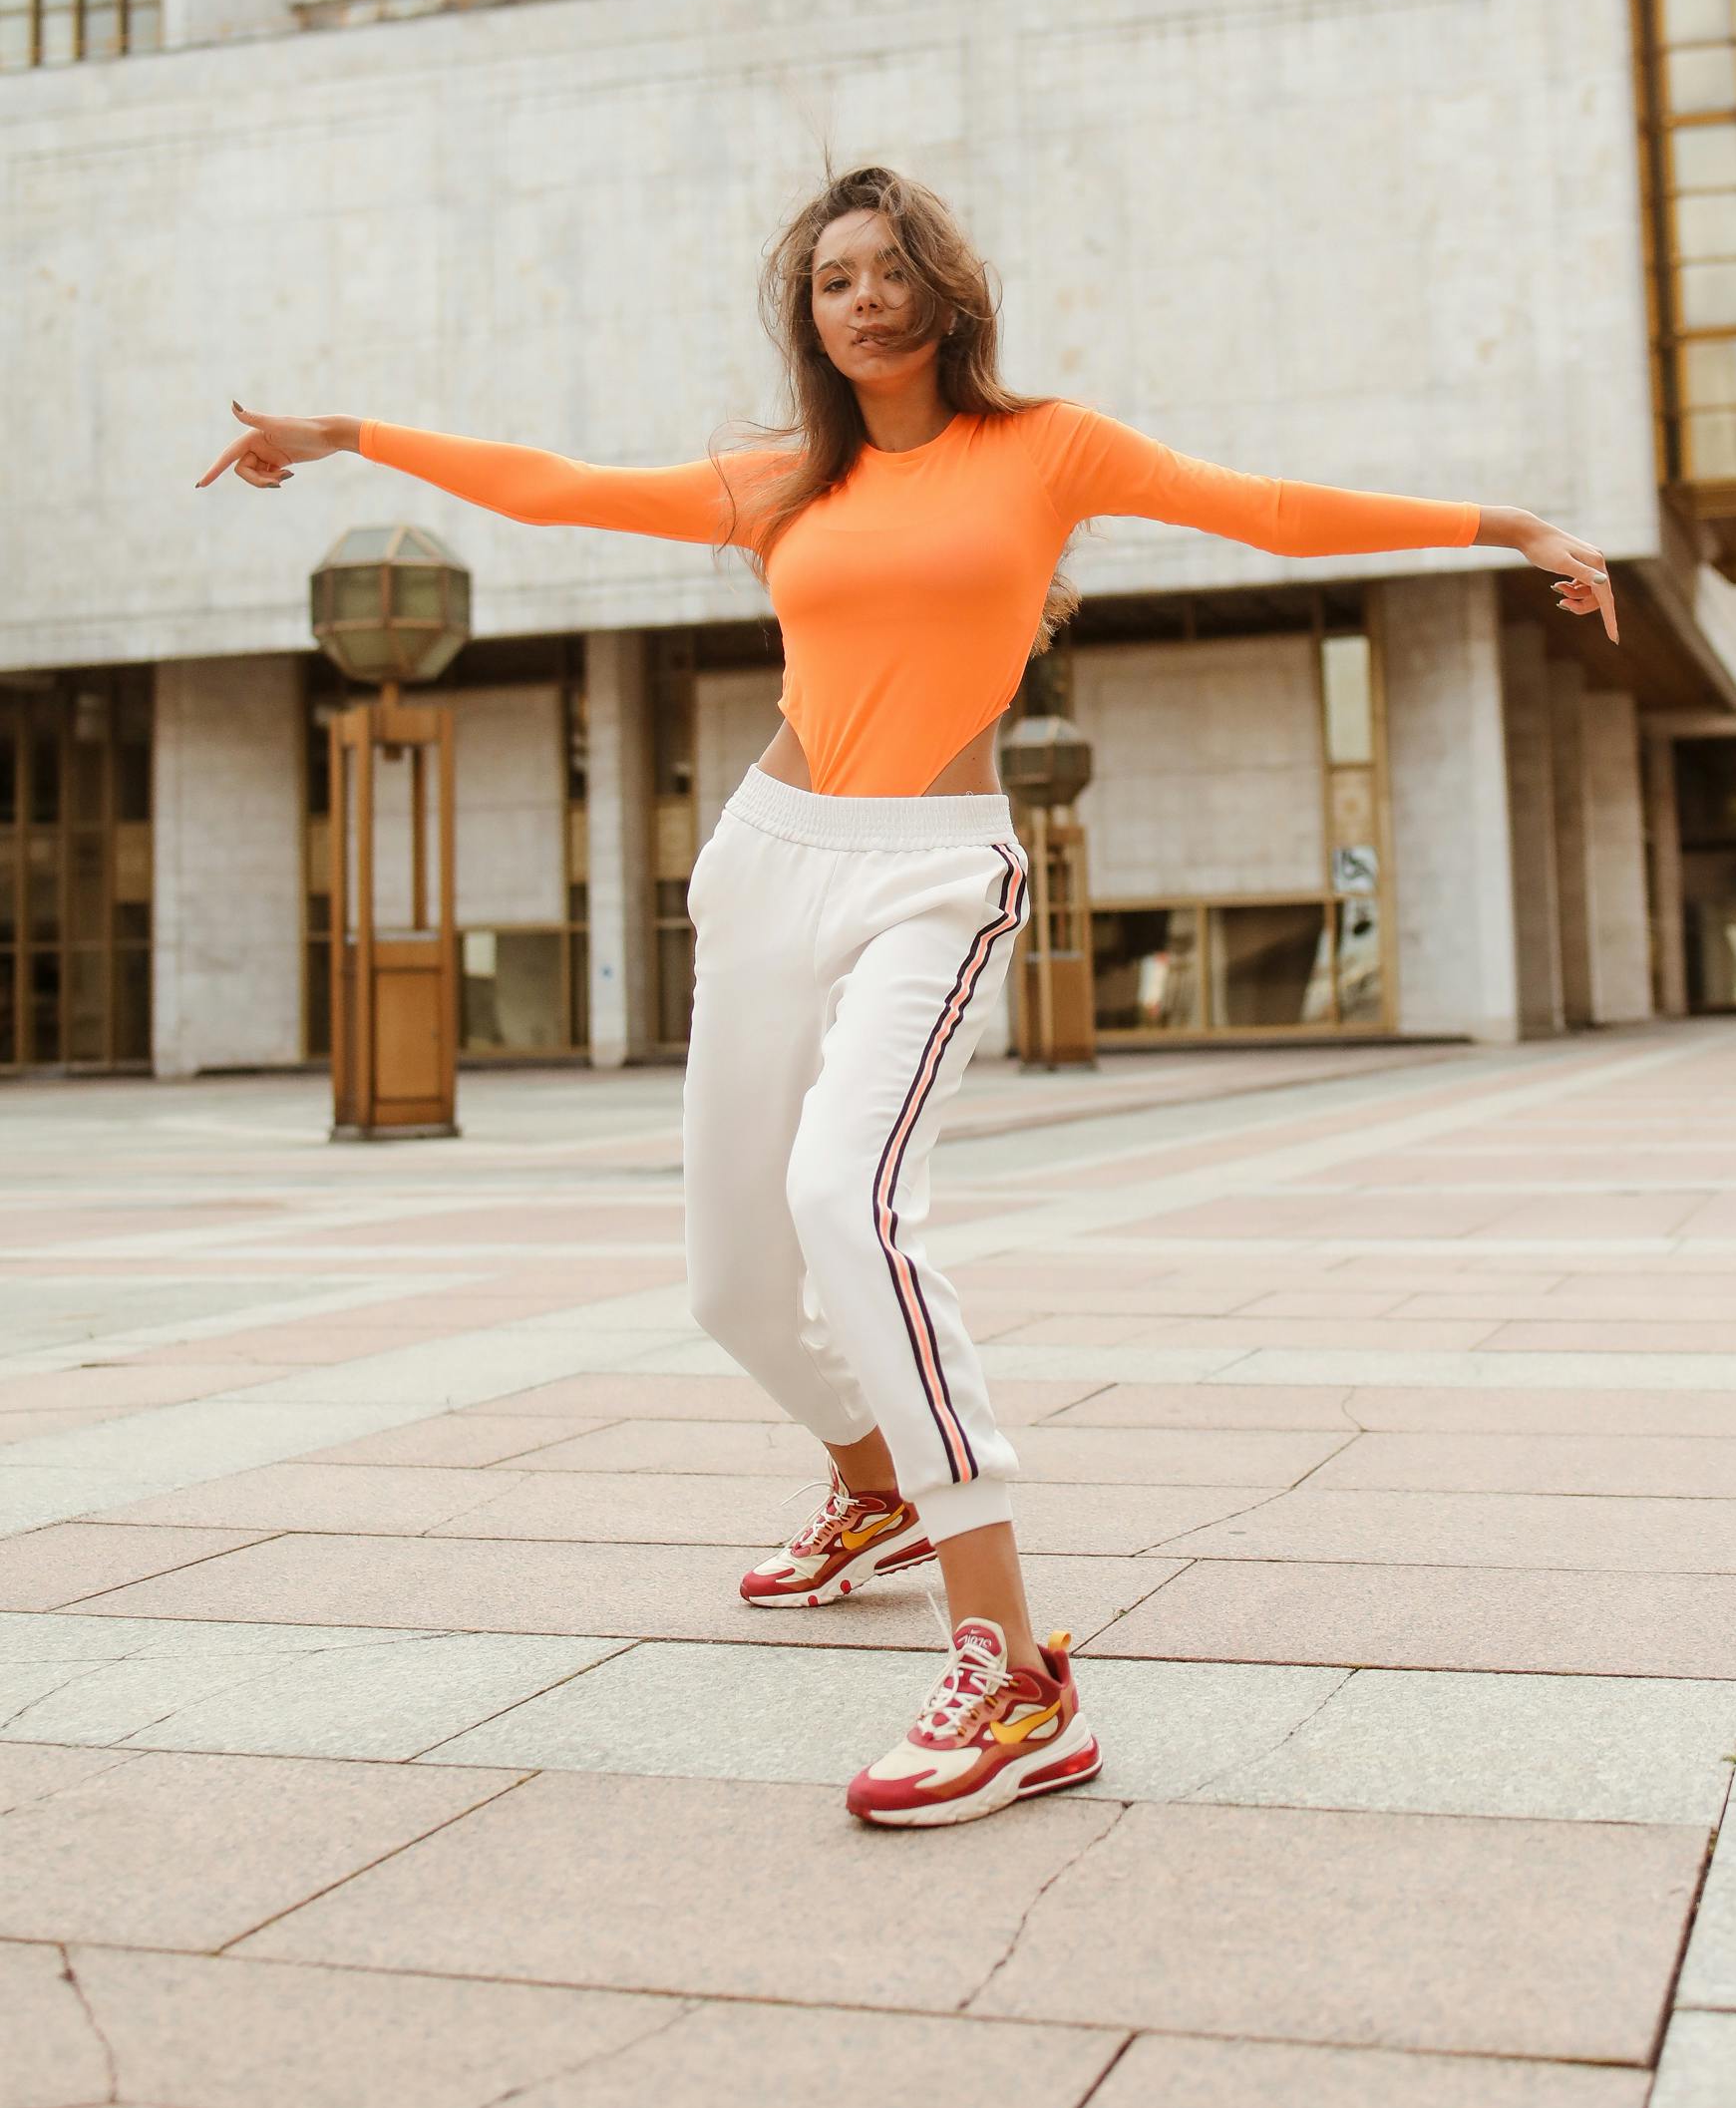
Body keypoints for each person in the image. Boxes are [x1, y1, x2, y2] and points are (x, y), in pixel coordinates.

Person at [198, 163, 1615, 1829]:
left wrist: (1510, 525)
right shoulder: (785, 482)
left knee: (844, 1204)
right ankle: (868, 1488)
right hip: (768, 860)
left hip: (931, 877)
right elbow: (559, 488)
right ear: (807, 315)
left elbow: (1269, 509)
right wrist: (347, 435)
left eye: (888, 270)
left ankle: (1011, 1671)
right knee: (733, 1287)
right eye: (832, 280)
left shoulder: (1048, 448)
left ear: (946, 291)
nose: (861, 299)